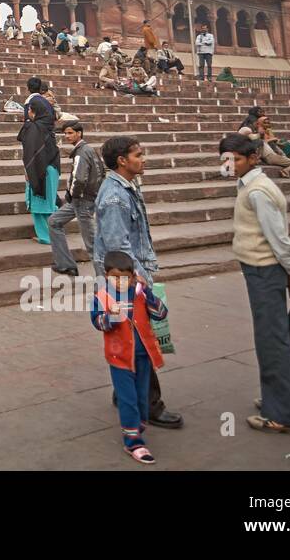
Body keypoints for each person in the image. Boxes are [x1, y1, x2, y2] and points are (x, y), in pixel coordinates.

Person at [220, 132, 290, 436]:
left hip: (265, 270)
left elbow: (279, 239)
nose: (230, 164)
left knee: (272, 340)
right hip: (262, 269)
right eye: (226, 160)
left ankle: (283, 414)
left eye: (236, 159)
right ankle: (288, 402)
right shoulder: (249, 185)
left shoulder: (258, 191)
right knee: (275, 337)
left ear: (254, 158)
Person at [94, 135, 184, 428]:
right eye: (138, 155)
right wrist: (140, 283)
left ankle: (126, 393)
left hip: (129, 275)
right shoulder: (115, 197)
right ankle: (150, 405)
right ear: (122, 160)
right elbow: (118, 246)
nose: (143, 160)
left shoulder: (126, 188)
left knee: (129, 339)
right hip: (125, 280)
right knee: (139, 340)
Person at [91, 250, 169, 464]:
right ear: (106, 276)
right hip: (119, 358)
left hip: (144, 356)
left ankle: (137, 424)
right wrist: (112, 317)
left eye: (125, 278)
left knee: (142, 396)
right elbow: (97, 322)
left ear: (133, 276)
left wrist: (149, 294)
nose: (120, 282)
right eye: (115, 278)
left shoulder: (140, 293)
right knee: (128, 399)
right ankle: (133, 441)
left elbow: (161, 314)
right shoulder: (102, 296)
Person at [47, 121, 103, 276]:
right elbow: (101, 173)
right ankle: (65, 264)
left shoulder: (82, 152)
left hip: (82, 200)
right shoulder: (88, 150)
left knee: (92, 244)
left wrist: (71, 195)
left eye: (70, 133)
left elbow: (79, 179)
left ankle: (106, 284)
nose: (67, 136)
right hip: (82, 199)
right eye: (65, 133)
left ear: (79, 133)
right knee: (54, 221)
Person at [19, 77, 61, 244]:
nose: (28, 113)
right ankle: (55, 233)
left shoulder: (33, 128)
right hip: (53, 169)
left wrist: (29, 172)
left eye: (30, 110)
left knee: (40, 206)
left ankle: (45, 237)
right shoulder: (48, 127)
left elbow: (31, 154)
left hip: (40, 171)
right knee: (50, 203)